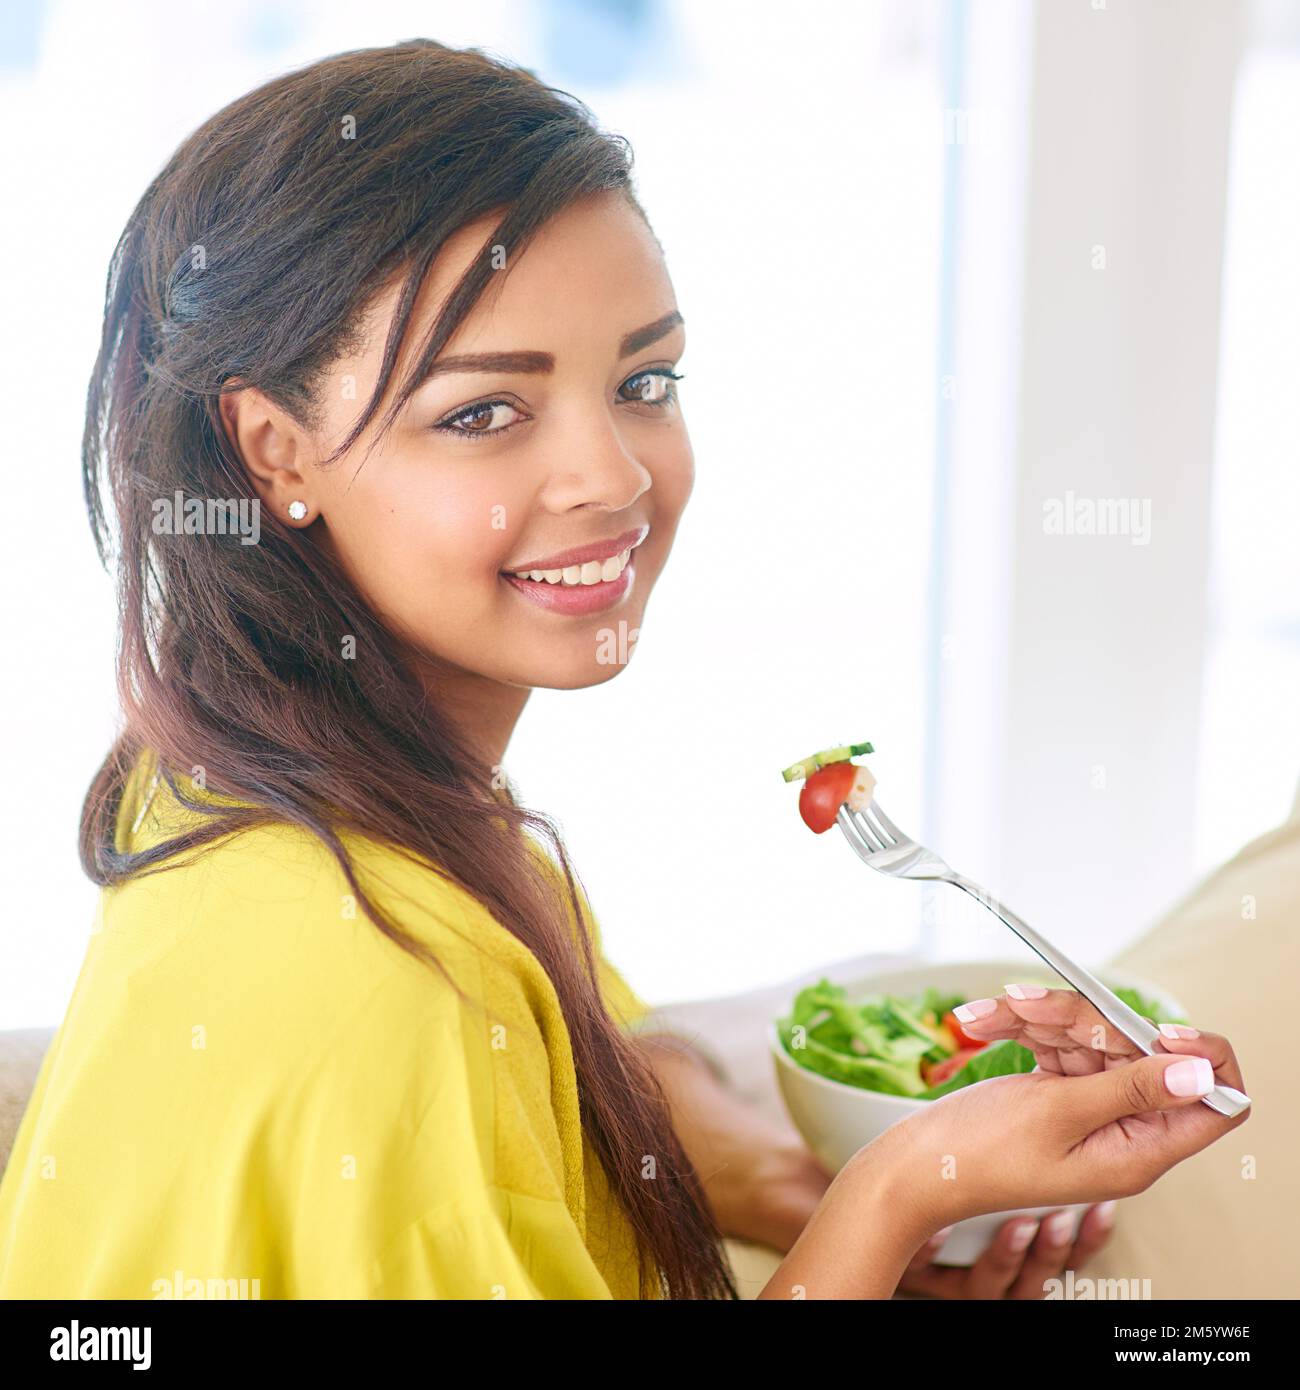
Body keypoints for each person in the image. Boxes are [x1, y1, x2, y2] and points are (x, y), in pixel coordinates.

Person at [0, 39, 1249, 1300]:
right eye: (483, 411)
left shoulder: (305, 792)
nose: (616, 478)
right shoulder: (369, 983)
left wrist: (829, 1181)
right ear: (274, 451)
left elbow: (609, 1075)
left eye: (644, 379)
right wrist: (900, 1190)